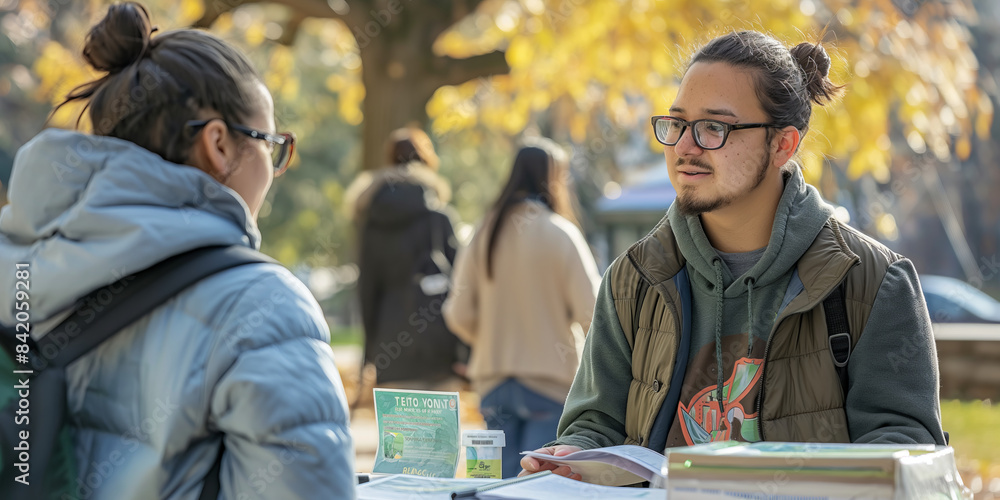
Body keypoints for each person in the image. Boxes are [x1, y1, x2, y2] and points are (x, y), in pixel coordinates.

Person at [522, 30, 947, 479]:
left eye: (713, 127)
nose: (684, 147)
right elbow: (596, 426)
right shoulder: (633, 279)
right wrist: (569, 458)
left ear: (783, 144)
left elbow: (908, 451)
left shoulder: (873, 280)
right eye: (678, 123)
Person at [0, 3, 355, 498]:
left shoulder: (15, 271)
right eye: (272, 146)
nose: (274, 172)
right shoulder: (263, 305)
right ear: (220, 145)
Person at [443, 138, 600, 478]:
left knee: (491, 485)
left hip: (492, 384)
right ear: (554, 179)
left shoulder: (482, 234)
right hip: (550, 384)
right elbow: (593, 314)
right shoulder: (561, 234)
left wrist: (487, 339)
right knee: (536, 484)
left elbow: (457, 313)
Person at [346, 127, 469, 389]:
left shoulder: (372, 220)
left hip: (392, 349)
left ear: (389, 160)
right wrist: (465, 351)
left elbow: (368, 288)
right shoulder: (439, 217)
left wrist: (370, 353)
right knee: (441, 430)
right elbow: (462, 284)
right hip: (440, 346)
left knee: (399, 431)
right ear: (427, 161)